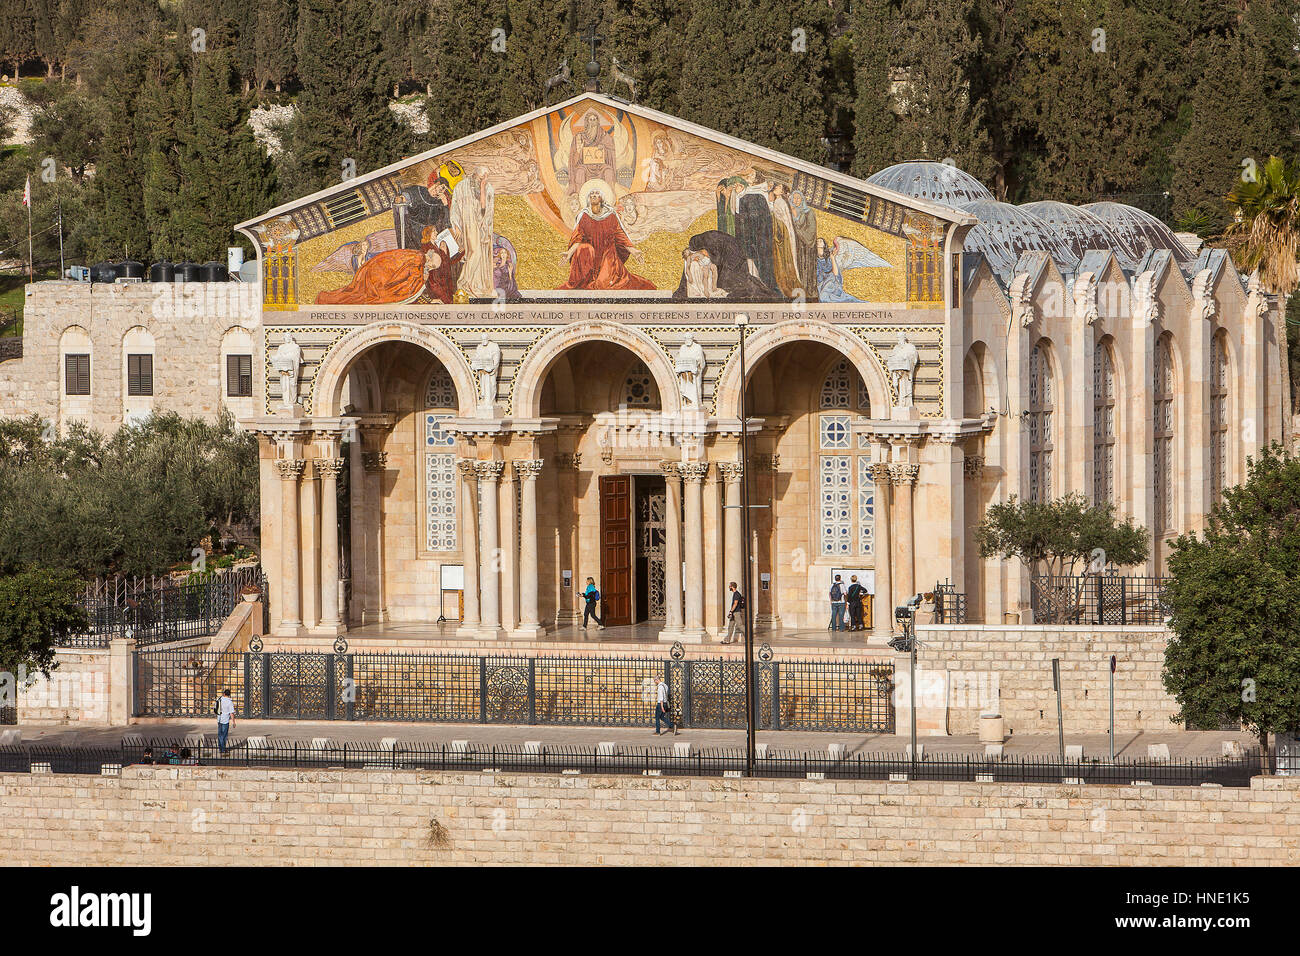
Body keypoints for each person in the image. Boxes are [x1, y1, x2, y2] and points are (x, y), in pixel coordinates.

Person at [215, 688, 235, 754]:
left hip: (219, 718)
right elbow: (231, 713)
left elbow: (215, 708)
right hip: (225, 719)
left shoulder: (219, 699)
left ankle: (220, 748)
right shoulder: (230, 702)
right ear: (229, 694)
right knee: (224, 735)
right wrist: (233, 722)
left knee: (220, 734)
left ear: (224, 694)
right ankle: (223, 749)